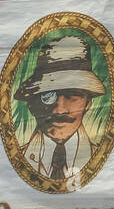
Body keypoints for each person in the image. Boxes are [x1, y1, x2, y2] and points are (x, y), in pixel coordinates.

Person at [14, 34, 104, 189]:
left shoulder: (107, 164)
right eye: (47, 96)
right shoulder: (13, 167)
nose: (59, 109)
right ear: (32, 105)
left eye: (72, 95)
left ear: (88, 103)